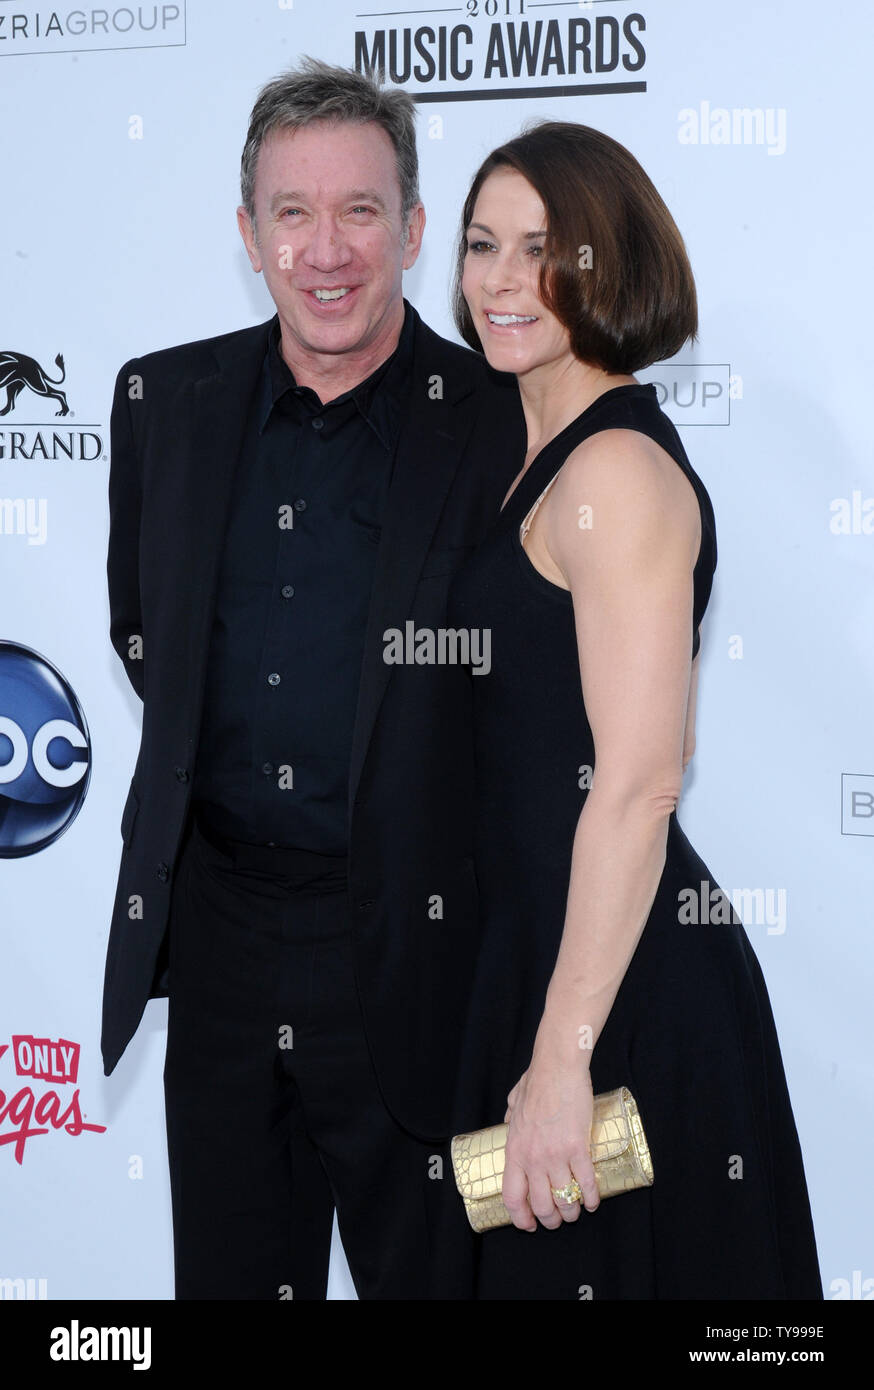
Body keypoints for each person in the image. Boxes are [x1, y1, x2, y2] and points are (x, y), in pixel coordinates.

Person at [101, 57, 526, 1300]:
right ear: (248, 233)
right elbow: (147, 633)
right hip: (223, 939)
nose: (325, 249)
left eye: (357, 212)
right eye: (293, 212)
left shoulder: (497, 421)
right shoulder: (161, 401)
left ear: (411, 229)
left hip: (422, 948)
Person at [432, 120, 823, 1299]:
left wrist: (563, 1060)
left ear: (609, 263)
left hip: (616, 997)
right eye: (480, 244)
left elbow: (648, 774)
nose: (501, 280)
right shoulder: (524, 450)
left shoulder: (614, 474)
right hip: (545, 964)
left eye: (542, 248)